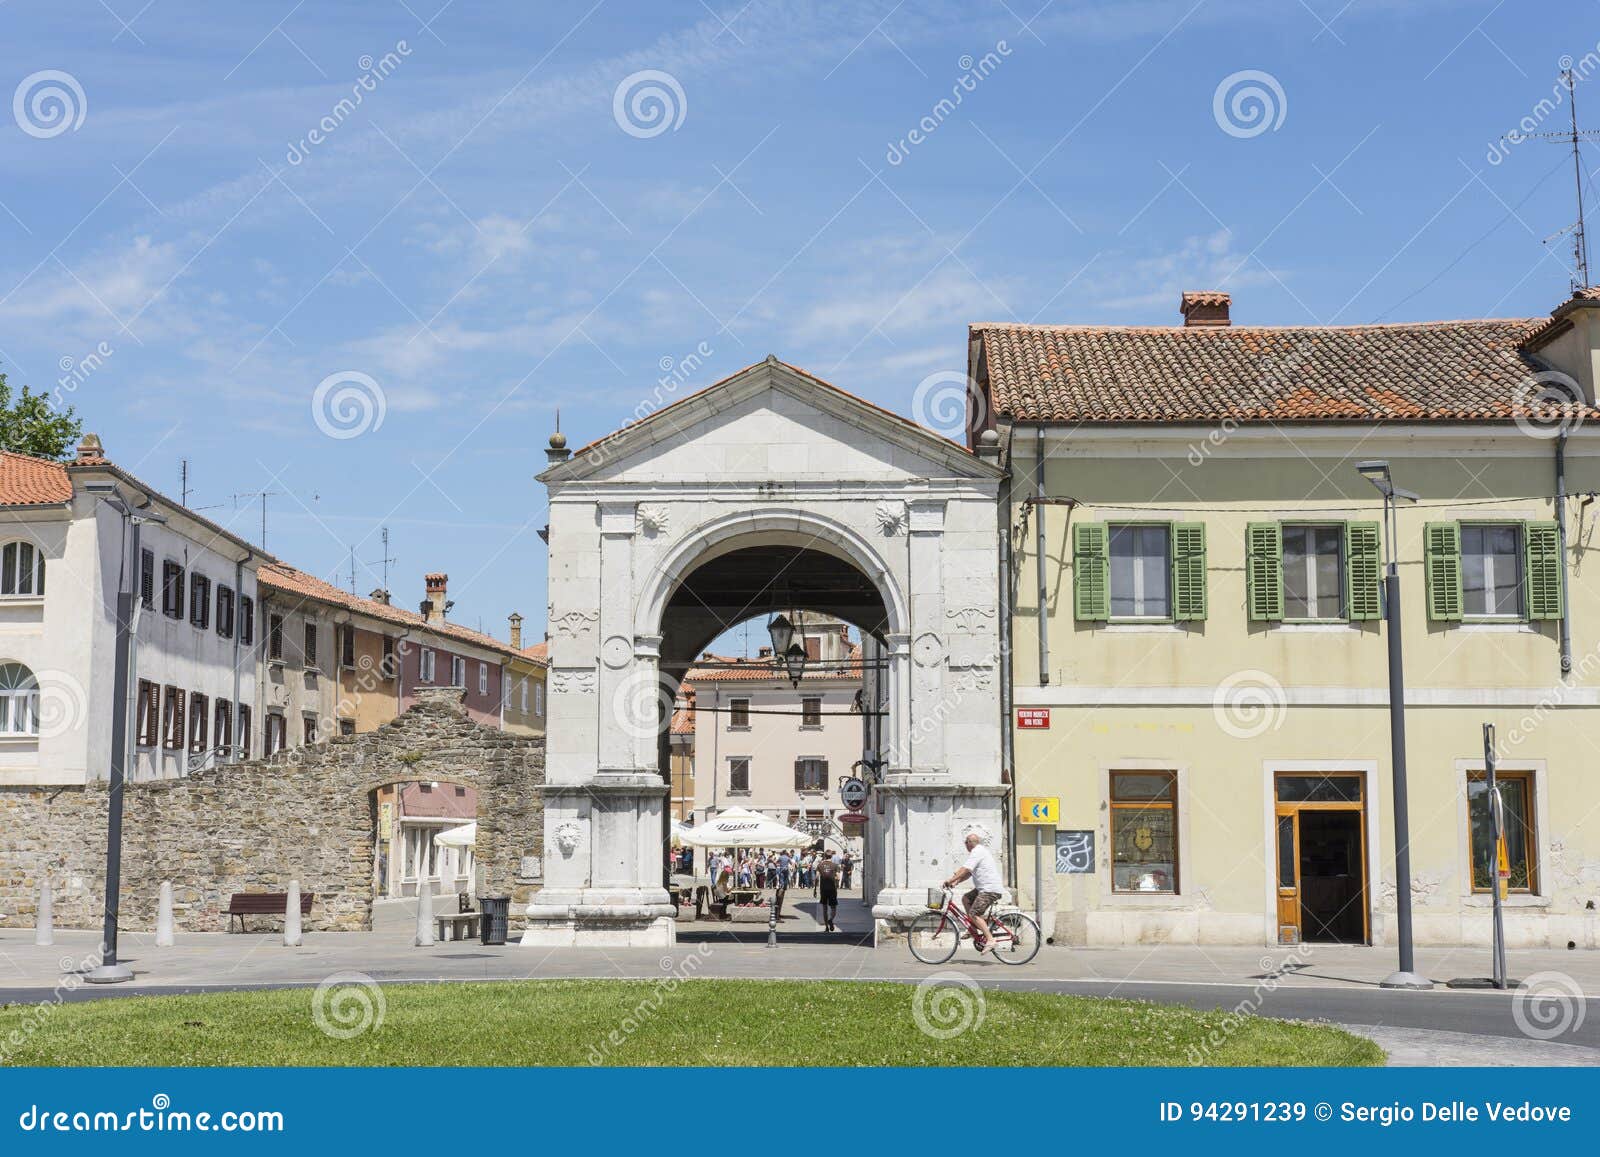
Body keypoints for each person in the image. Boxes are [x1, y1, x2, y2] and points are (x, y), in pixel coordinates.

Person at [944, 830, 1003, 952]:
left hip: (989, 889)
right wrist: (956, 882)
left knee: (974, 913)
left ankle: (990, 939)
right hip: (984, 888)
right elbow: (969, 873)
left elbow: (965, 869)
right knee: (966, 899)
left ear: (970, 843)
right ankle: (973, 927)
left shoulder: (977, 851)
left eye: (966, 842)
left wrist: (950, 880)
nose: (965, 844)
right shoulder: (979, 852)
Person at [817, 849, 839, 931]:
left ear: (824, 856)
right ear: (831, 856)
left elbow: (816, 878)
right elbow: (838, 877)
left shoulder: (820, 865)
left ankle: (826, 927)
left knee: (824, 908)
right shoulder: (834, 865)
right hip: (832, 889)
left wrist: (815, 889)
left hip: (823, 889)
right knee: (833, 907)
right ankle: (831, 920)